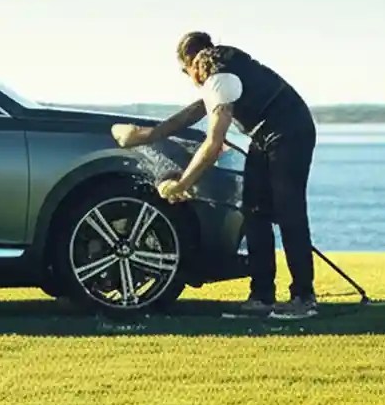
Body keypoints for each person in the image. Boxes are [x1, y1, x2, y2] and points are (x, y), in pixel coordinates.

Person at [110, 32, 319, 319]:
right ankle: (262, 296)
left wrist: (183, 184)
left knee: (288, 211)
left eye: (186, 73)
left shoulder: (220, 77)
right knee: (254, 212)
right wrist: (146, 135)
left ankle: (303, 298)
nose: (190, 79)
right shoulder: (221, 68)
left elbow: (213, 142)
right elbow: (189, 116)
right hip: (266, 136)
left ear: (191, 64)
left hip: (289, 133)